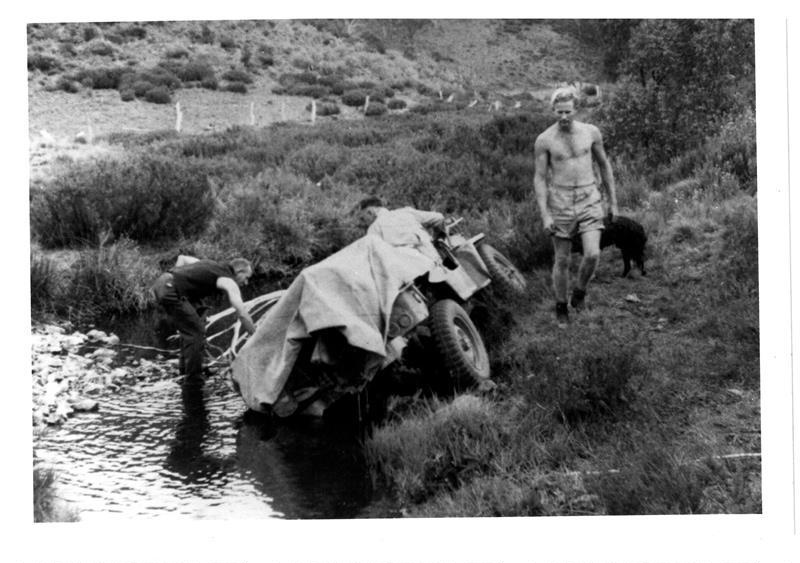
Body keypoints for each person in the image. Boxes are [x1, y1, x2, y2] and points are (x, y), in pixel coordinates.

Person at [533, 86, 618, 327]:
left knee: (593, 254)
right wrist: (545, 215)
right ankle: (561, 306)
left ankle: (579, 293)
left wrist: (613, 202)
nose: (563, 117)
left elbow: (604, 166)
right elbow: (540, 178)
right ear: (553, 110)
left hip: (589, 197)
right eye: (559, 112)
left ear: (576, 109)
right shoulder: (544, 140)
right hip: (561, 202)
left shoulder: (591, 132)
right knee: (562, 260)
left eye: (567, 111)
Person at [152, 255, 257, 386]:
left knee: (190, 329)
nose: (246, 283)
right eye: (246, 278)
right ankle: (194, 379)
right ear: (239, 272)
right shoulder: (228, 280)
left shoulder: (210, 265)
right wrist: (255, 335)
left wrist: (179, 281)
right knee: (196, 332)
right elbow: (242, 313)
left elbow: (182, 258)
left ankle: (185, 370)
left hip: (162, 283)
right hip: (170, 290)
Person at [354, 196, 446, 263]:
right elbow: (439, 217)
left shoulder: (374, 229)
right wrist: (436, 238)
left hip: (409, 270)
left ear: (370, 212)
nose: (365, 222)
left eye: (363, 218)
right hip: (432, 258)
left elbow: (372, 255)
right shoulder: (406, 212)